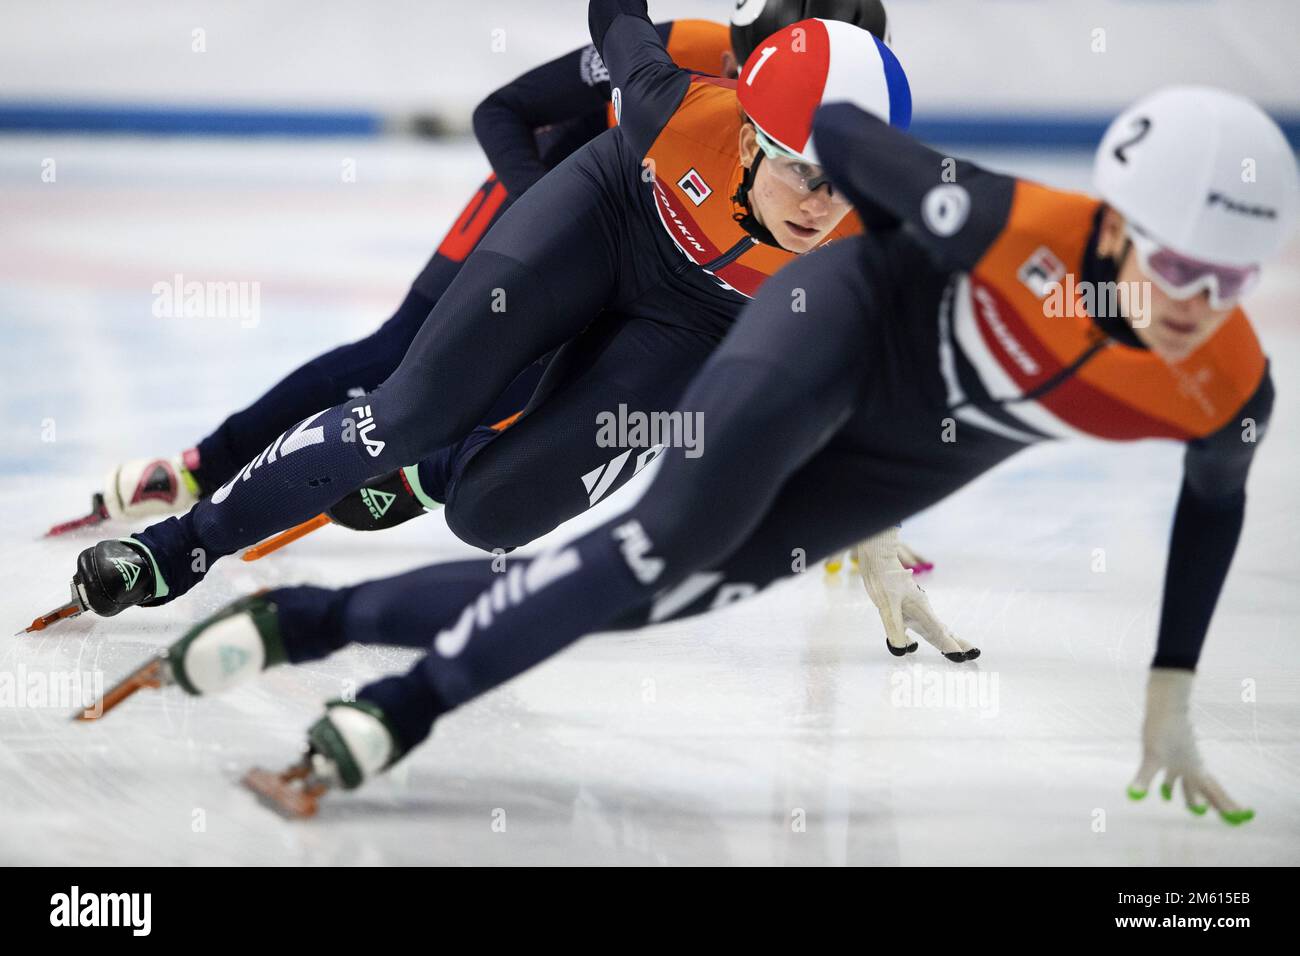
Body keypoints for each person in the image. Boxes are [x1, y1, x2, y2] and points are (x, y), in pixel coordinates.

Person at [137, 85, 1293, 822]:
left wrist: (1172, 685)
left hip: (907, 452)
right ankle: (393, 698)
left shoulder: (1230, 384)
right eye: (1175, 266)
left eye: (1230, 281)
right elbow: (838, 129)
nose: (1196, 303)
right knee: (649, 550)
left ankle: (306, 626)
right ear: (1119, 223)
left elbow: (1213, 504)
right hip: (828, 330)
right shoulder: (1013, 223)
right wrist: (901, 232)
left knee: (654, 602)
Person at [56, 4, 914, 634]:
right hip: (604, 218)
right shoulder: (675, 101)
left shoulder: (875, 233)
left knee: (491, 514)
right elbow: (605, 23)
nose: (821, 205)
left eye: (846, 179)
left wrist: (874, 517)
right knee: (402, 408)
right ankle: (178, 548)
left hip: (693, 324)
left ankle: (442, 473)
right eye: (803, 172)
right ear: (753, 135)